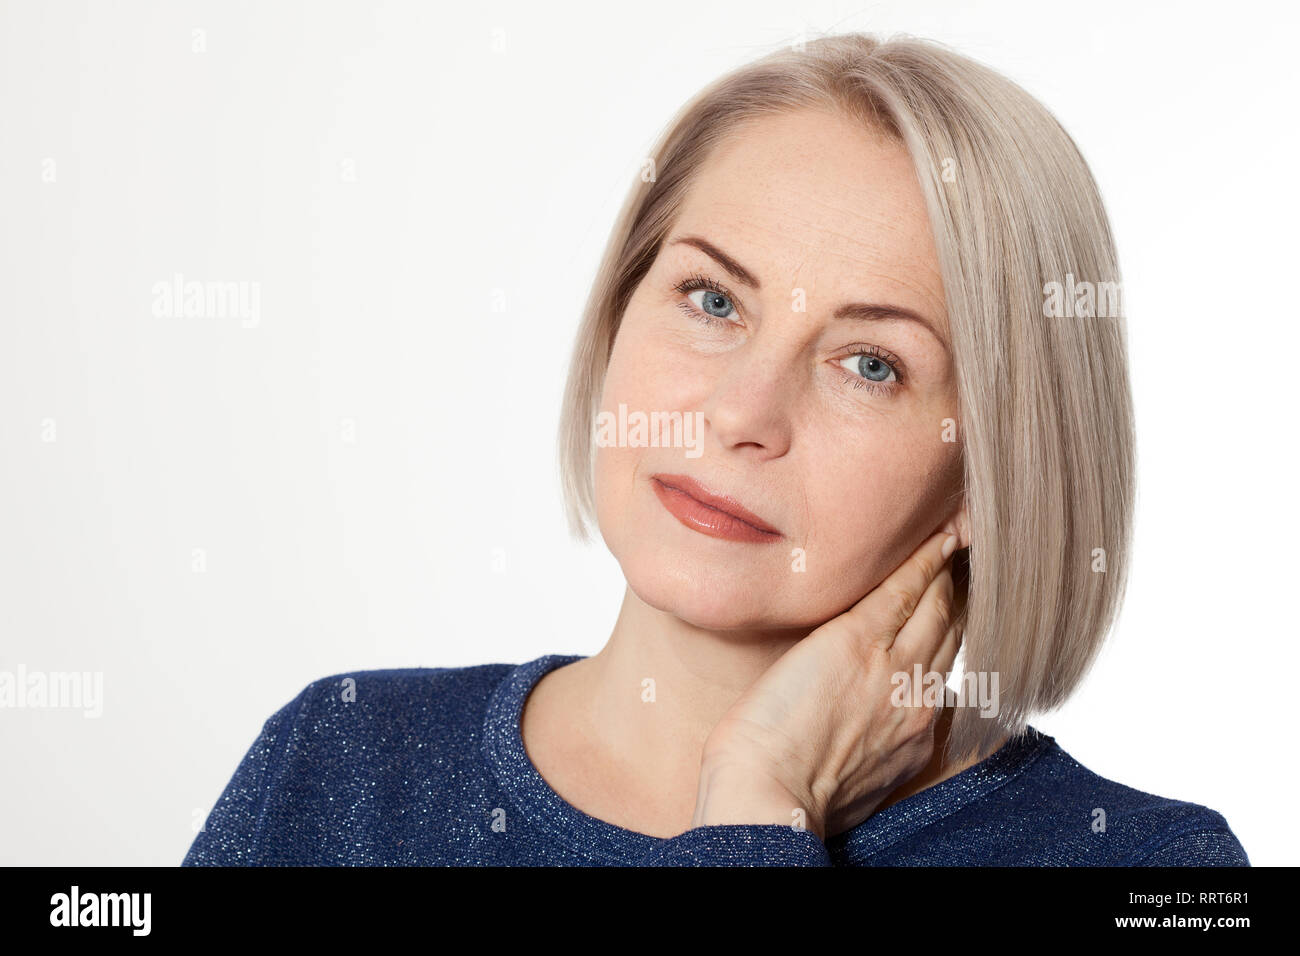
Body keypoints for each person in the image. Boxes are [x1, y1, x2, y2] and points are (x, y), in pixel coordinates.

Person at [183, 32, 1248, 866]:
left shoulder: (1151, 866)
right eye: (711, 298)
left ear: (988, 474)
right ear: (616, 312)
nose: (741, 410)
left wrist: (756, 804)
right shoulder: (343, 761)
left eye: (870, 362)